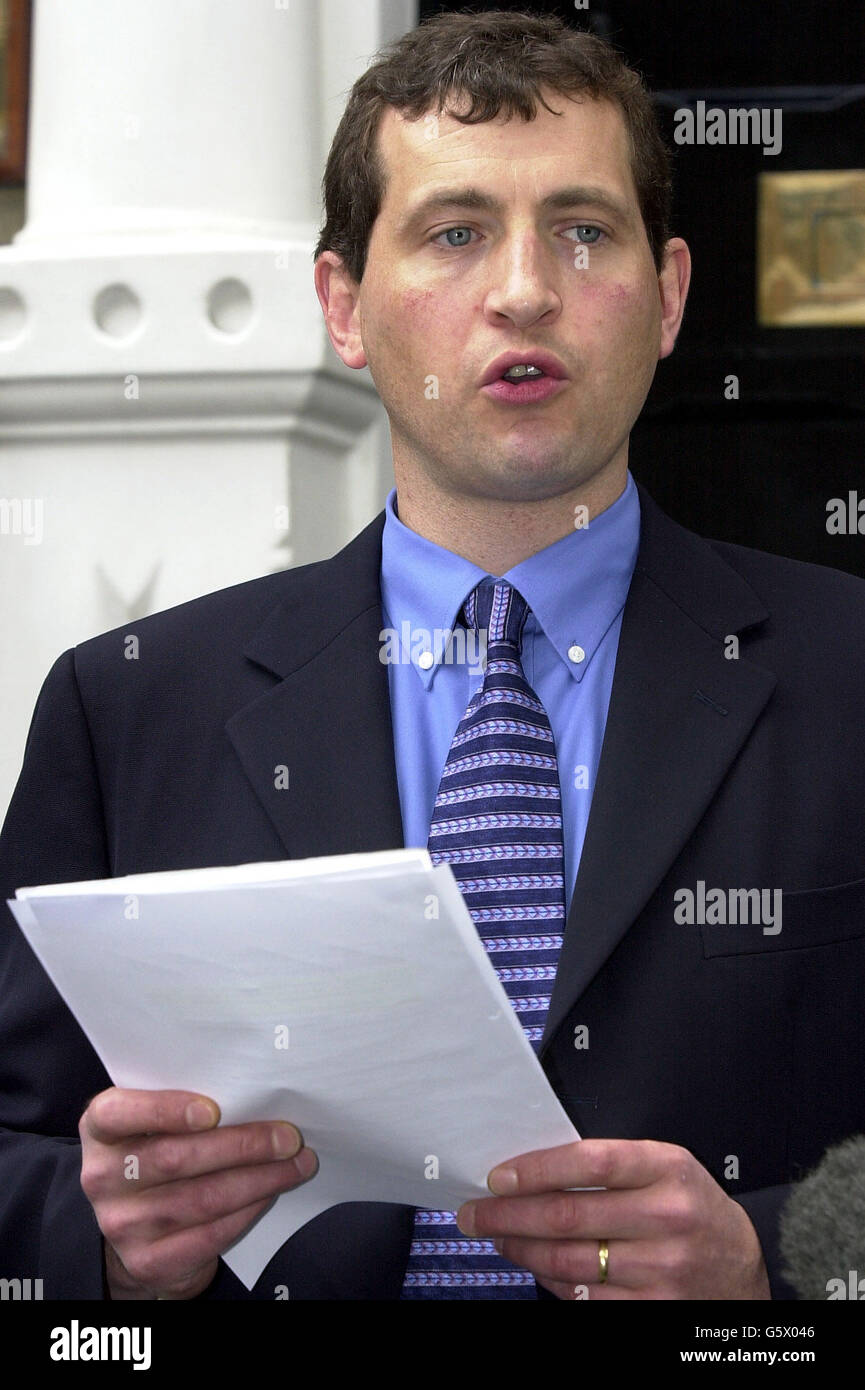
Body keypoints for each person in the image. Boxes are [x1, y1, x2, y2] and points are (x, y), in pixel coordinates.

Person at [1, 9, 863, 1302]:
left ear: (670, 293)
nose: (523, 287)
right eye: (455, 233)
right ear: (342, 305)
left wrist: (775, 1258)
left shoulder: (847, 674)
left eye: (582, 230)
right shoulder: (129, 706)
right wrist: (108, 1253)